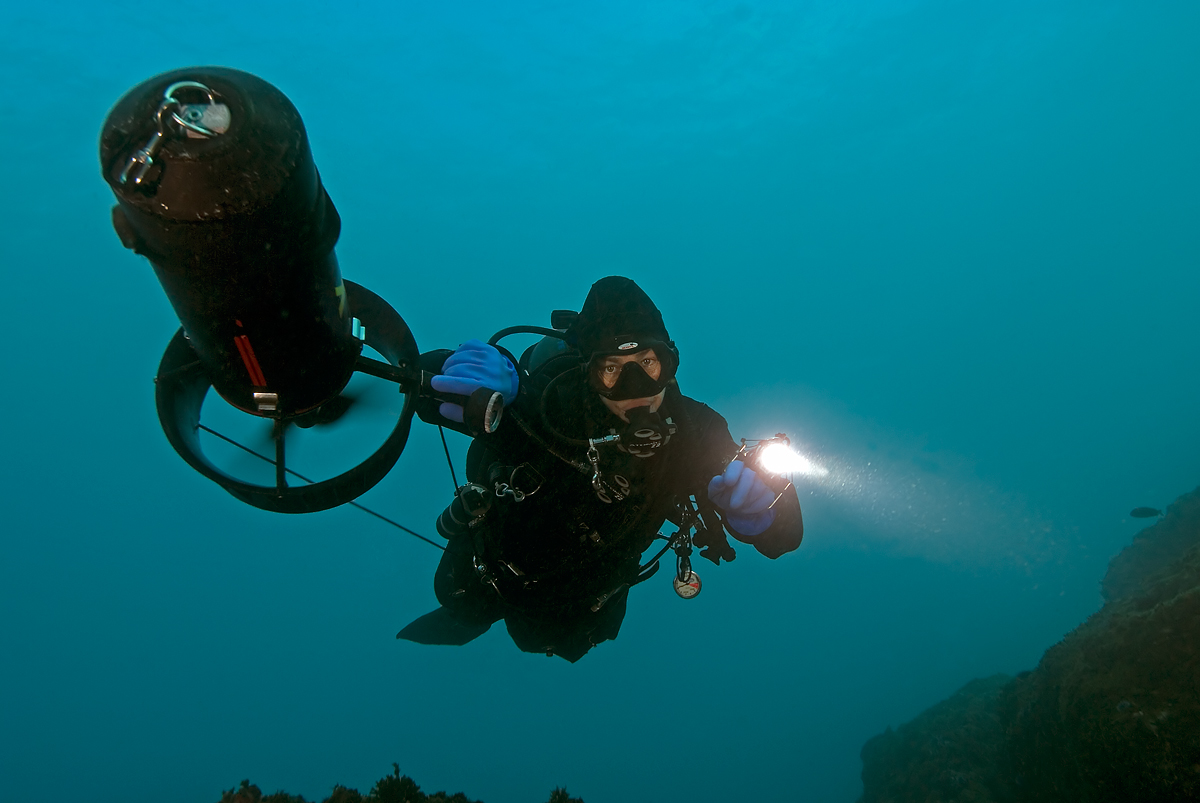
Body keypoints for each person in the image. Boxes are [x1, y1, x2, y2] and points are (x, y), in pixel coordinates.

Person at [397, 276, 803, 661]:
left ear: (670, 361)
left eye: (648, 363)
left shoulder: (696, 434)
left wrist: (763, 513)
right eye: (611, 370)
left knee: (566, 638)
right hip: (487, 577)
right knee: (461, 602)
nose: (634, 390)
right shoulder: (547, 405)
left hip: (592, 604)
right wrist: (469, 376)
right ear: (588, 372)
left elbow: (782, 540)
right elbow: (422, 382)